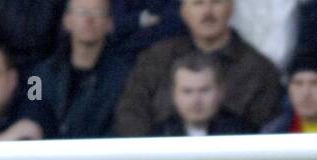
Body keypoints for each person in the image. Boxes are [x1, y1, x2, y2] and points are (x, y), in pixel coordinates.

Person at [114, 0, 283, 137]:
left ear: (231, 8)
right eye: (198, 3)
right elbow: (131, 114)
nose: (207, 12)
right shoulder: (156, 59)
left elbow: (270, 127)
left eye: (216, 2)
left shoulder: (258, 68)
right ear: (183, 12)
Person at [27, 0, 133, 140]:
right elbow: (29, 114)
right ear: (67, 20)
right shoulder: (38, 76)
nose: (89, 19)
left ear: (110, 23)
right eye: (81, 12)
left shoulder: (125, 77)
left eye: (98, 12)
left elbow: (122, 127)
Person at [152, 51, 252, 136]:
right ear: (174, 94)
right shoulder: (157, 137)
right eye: (187, 91)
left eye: (204, 90)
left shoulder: (244, 134)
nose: (196, 100)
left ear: (221, 91)